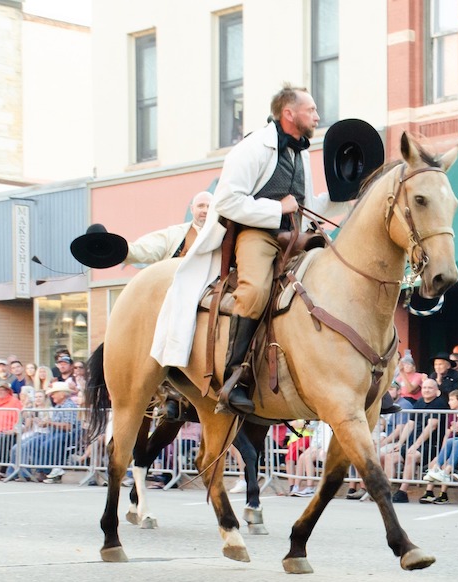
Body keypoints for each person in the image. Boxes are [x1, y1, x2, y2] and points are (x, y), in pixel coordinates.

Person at [150, 85, 348, 409]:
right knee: (254, 291)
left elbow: (306, 205)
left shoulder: (300, 152)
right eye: (311, 109)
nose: (317, 115)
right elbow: (227, 201)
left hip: (295, 236)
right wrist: (276, 210)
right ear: (289, 113)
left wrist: (348, 196)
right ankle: (232, 379)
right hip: (256, 234)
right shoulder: (253, 148)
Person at [123, 191, 214, 267]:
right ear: (192, 209)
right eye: (200, 206)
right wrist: (117, 249)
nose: (205, 210)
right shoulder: (176, 233)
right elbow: (145, 250)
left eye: (209, 207)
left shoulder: (224, 233)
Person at [0, 378, 23, 477]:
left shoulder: (14, 402)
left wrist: (13, 430)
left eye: (2, 390)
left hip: (9, 432)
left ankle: (1, 467)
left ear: (7, 391)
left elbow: (20, 418)